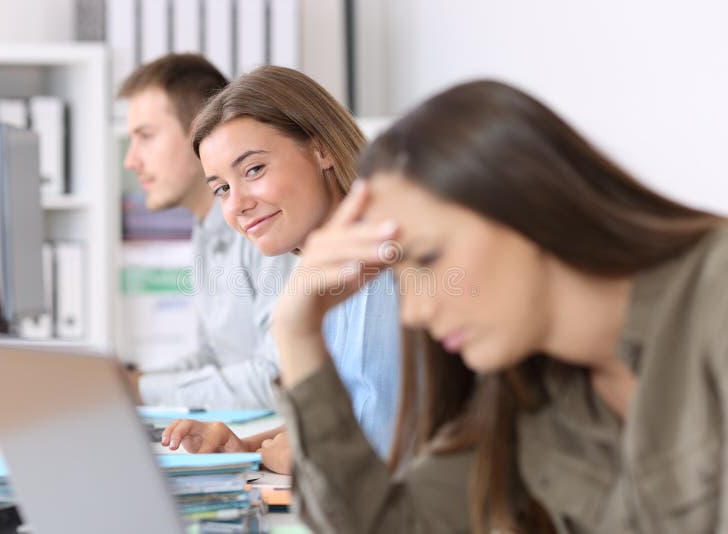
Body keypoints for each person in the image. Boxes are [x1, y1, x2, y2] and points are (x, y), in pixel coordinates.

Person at [269, 79, 728, 533]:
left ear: (532, 203)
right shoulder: (527, 399)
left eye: (428, 258)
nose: (414, 314)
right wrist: (297, 332)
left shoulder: (714, 296)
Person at [162, 66, 402, 474]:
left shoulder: (382, 264)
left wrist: (303, 459)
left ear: (322, 149)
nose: (236, 205)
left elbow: (370, 454)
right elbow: (343, 422)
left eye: (253, 170)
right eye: (221, 188)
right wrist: (247, 449)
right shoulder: (326, 273)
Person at [119, 54, 296, 410]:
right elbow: (217, 357)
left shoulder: (264, 225)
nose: (131, 160)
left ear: (201, 128)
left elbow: (278, 377)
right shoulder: (206, 228)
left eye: (146, 137)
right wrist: (135, 385)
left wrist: (143, 390)